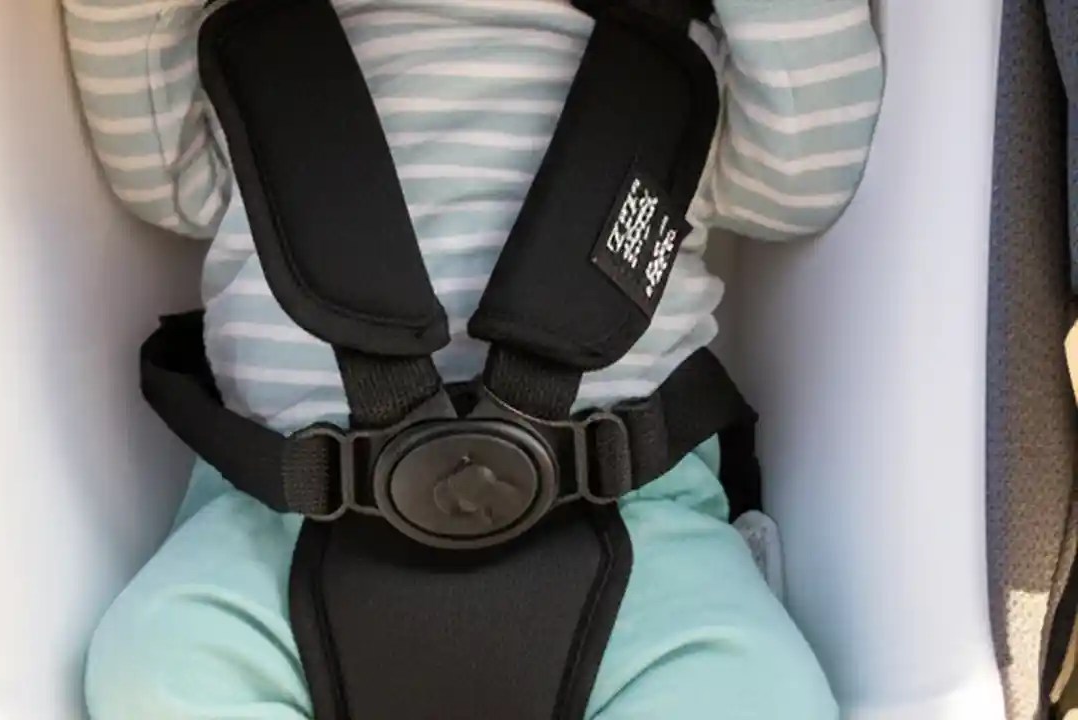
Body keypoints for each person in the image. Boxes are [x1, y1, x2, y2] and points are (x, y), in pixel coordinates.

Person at [64, 0, 884, 716]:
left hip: (632, 522)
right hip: (279, 524)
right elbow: (152, 172)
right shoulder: (245, 50)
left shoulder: (677, 69)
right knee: (155, 666)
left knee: (758, 696)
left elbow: (806, 177)